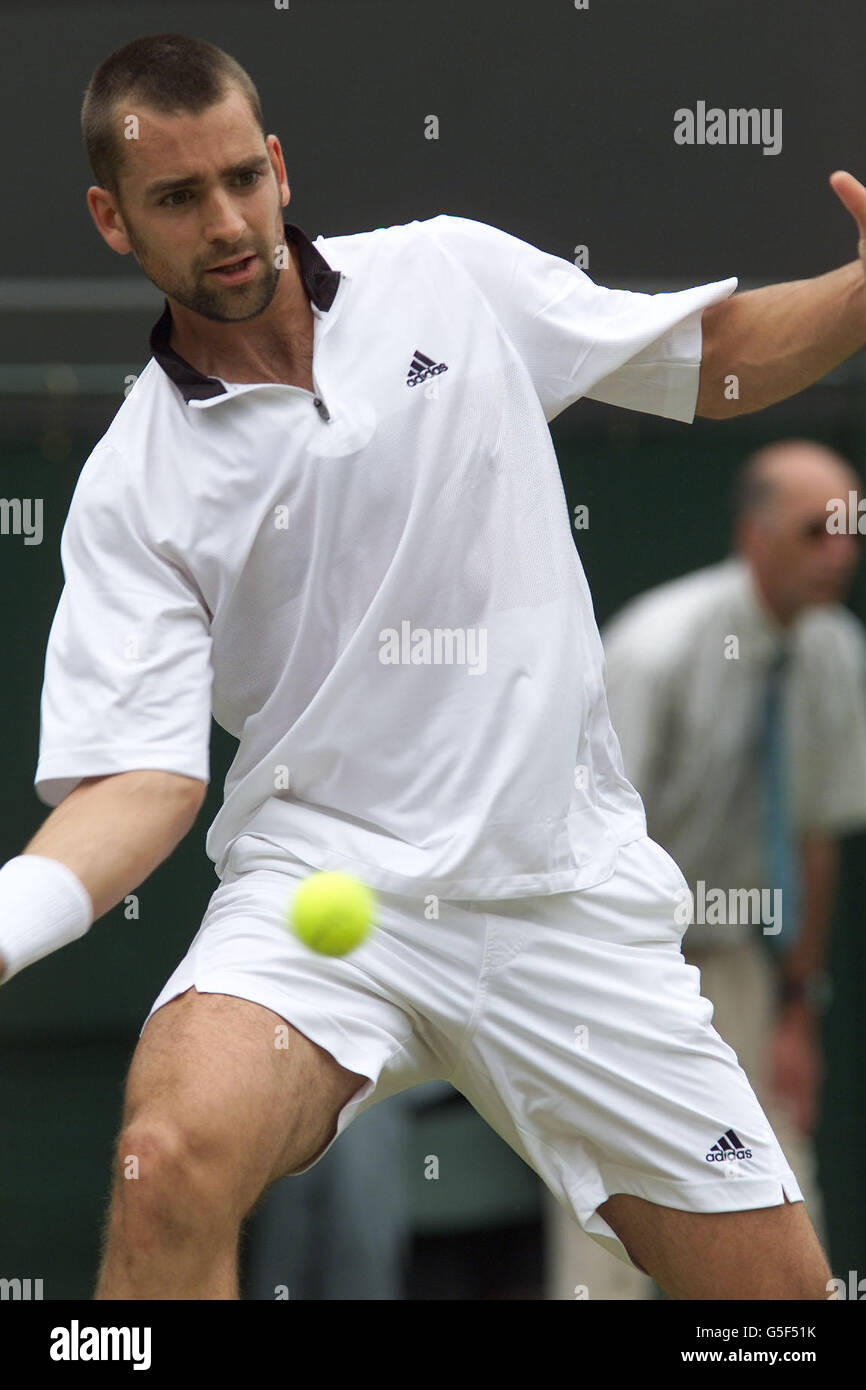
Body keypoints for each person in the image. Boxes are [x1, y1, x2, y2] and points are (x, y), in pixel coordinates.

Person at [4, 30, 866, 1300]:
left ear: (280, 166)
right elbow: (140, 782)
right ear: (113, 219)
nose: (228, 222)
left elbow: (715, 360)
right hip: (320, 897)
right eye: (178, 198)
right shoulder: (130, 486)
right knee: (165, 1155)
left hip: (565, 894)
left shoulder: (446, 275)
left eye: (242, 177)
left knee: (780, 1308)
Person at [544, 441, 866, 1300]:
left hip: (735, 965)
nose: (842, 551)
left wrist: (799, 1006)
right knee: (608, 1209)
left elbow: (814, 838)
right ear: (755, 536)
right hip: (609, 963)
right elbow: (578, 837)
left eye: (851, 530)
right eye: (816, 531)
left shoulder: (836, 653)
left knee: (783, 1173)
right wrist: (599, 997)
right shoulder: (656, 649)